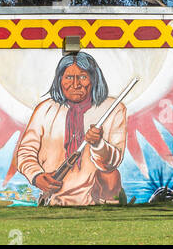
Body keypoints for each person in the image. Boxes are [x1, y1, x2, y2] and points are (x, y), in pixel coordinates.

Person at [13, 52, 126, 206]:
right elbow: (26, 152)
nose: (75, 85)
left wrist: (98, 144)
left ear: (94, 79)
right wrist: (37, 176)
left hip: (97, 200)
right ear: (59, 80)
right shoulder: (45, 110)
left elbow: (113, 162)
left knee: (112, 175)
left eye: (83, 77)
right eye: (68, 78)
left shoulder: (114, 109)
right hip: (54, 199)